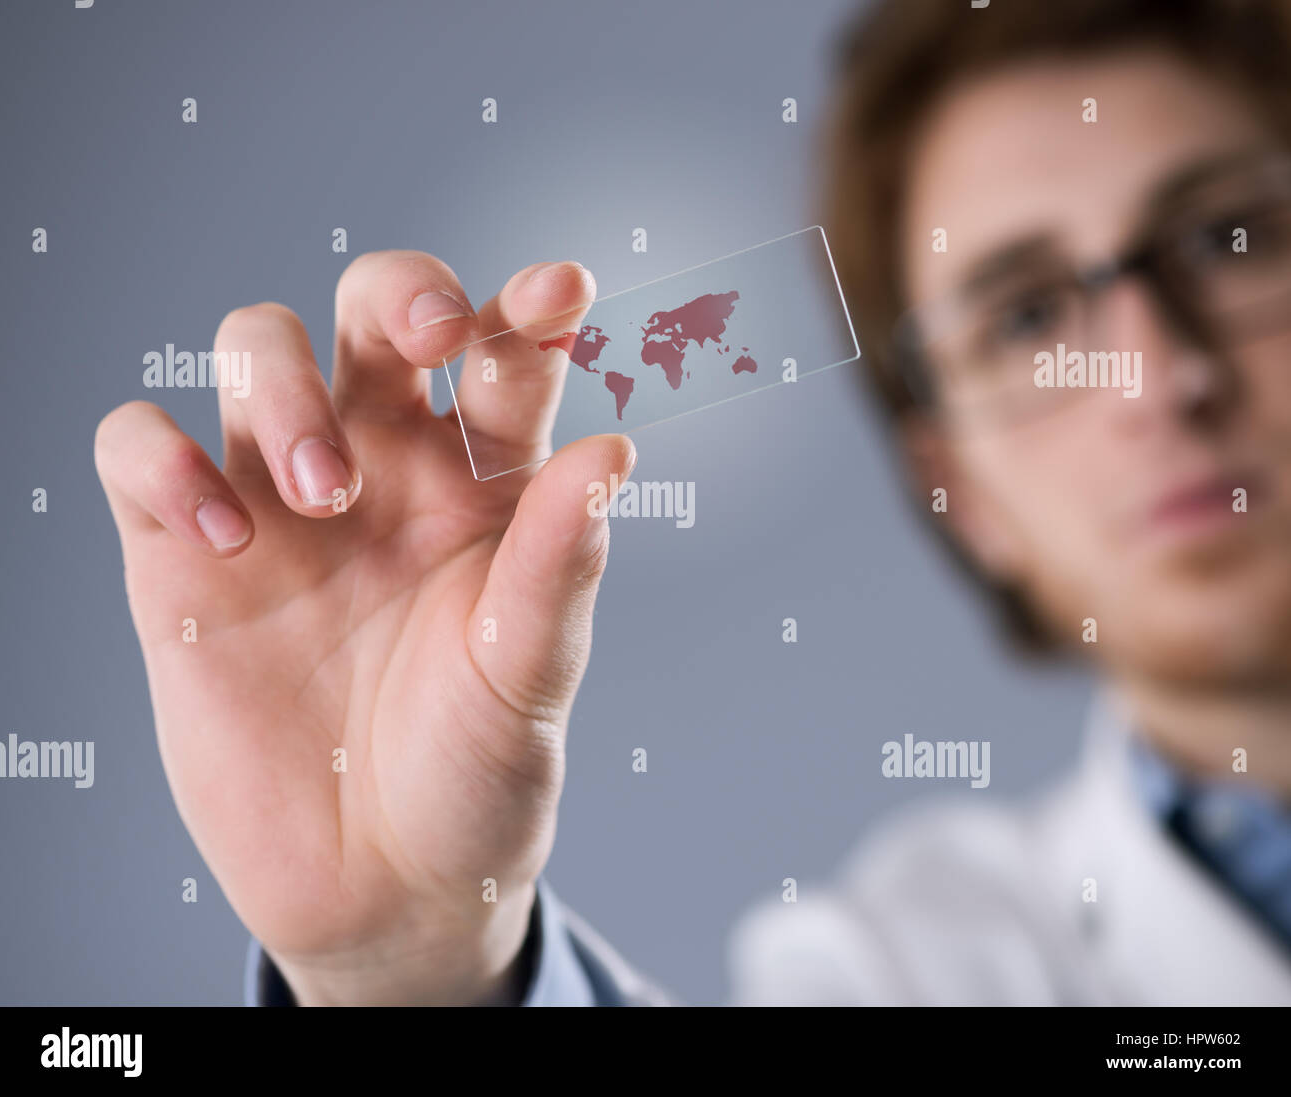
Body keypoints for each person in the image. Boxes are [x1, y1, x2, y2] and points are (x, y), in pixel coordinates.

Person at [94, 0, 1291, 1006]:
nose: (1154, 375)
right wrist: (413, 965)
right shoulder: (892, 970)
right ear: (958, 486)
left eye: (1232, 239)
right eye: (1023, 318)